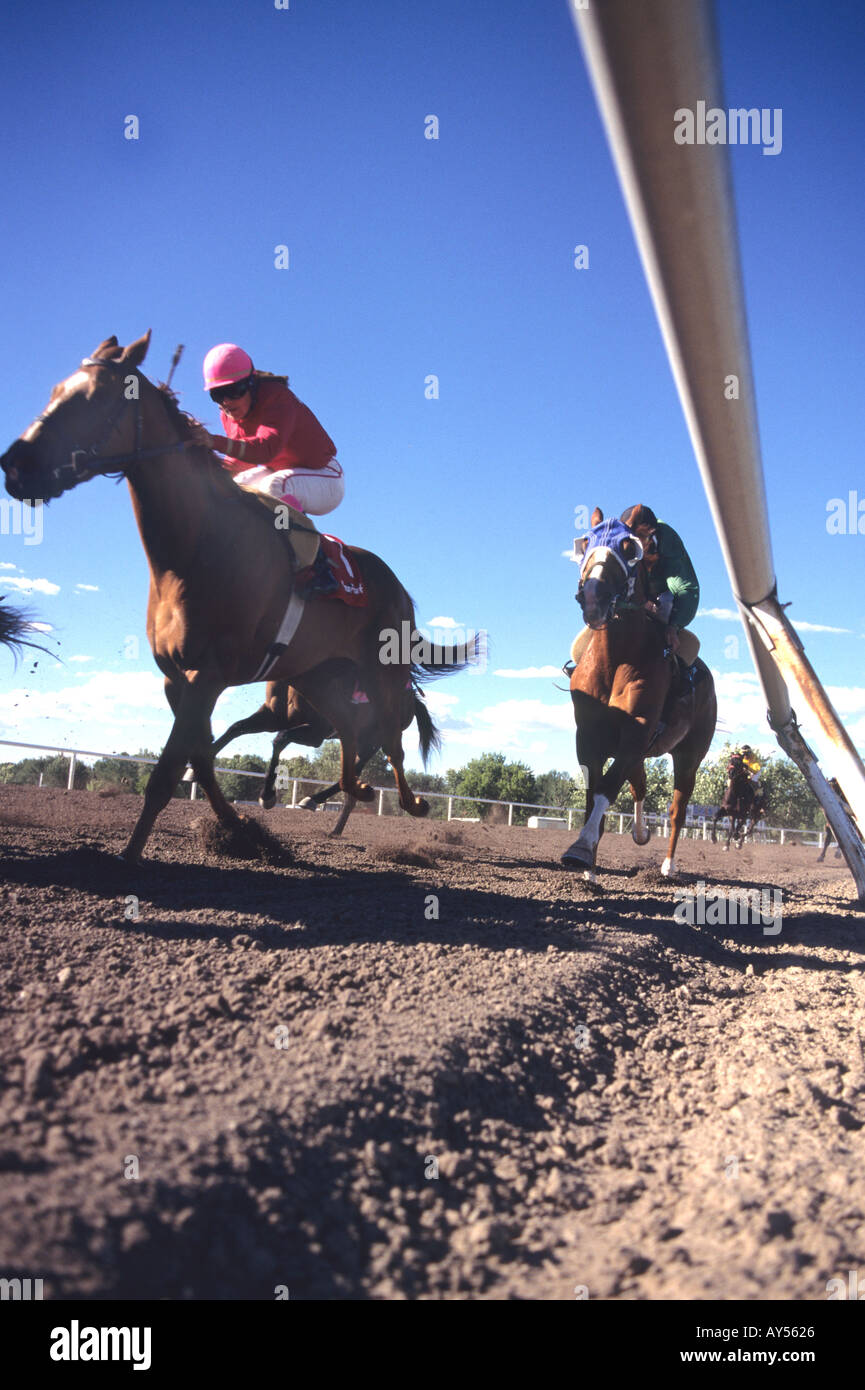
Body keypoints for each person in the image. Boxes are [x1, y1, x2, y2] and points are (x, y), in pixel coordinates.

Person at [189, 344, 343, 596]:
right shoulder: (228, 415)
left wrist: (213, 441)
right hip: (281, 471)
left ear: (251, 384)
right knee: (236, 486)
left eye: (233, 391)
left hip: (327, 477)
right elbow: (240, 462)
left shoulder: (277, 397)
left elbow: (265, 449)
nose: (226, 402)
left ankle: (318, 565)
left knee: (275, 487)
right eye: (217, 395)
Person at [620, 504, 700, 672]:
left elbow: (687, 588)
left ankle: (678, 670)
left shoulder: (667, 540)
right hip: (629, 594)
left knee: (665, 603)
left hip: (662, 595)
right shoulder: (618, 540)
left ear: (652, 535)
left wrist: (673, 626)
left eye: (641, 537)